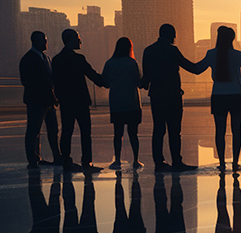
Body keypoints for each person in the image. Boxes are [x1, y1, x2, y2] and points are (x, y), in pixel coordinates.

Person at [195, 26, 241, 174]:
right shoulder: (237, 55)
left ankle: (222, 163)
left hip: (218, 96)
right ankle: (236, 162)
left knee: (220, 131)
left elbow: (197, 69)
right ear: (233, 39)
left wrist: (178, 62)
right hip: (236, 95)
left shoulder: (211, 54)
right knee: (237, 131)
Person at [141, 24, 205, 172]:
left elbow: (145, 79)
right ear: (171, 35)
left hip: (156, 96)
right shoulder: (172, 50)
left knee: (158, 129)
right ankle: (177, 161)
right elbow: (193, 68)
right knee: (174, 130)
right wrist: (208, 61)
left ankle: (159, 162)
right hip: (173, 96)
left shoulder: (148, 51)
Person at [51, 28, 106, 172]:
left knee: (67, 131)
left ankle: (66, 160)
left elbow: (55, 82)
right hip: (81, 101)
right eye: (78, 37)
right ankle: (86, 161)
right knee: (85, 132)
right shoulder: (78, 59)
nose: (80, 40)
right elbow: (93, 76)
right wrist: (108, 80)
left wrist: (59, 97)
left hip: (66, 102)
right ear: (71, 39)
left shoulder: (57, 60)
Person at [102, 37, 146, 170]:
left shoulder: (110, 63)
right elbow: (139, 82)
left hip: (117, 103)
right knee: (133, 134)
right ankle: (136, 160)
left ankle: (117, 160)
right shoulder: (132, 63)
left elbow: (105, 82)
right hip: (132, 103)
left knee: (117, 133)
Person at [20, 31, 61, 168]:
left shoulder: (44, 57)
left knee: (52, 129)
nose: (45, 43)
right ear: (36, 41)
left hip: (47, 101)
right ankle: (33, 159)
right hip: (37, 101)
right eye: (43, 40)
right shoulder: (29, 59)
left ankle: (55, 156)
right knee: (34, 130)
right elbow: (29, 82)